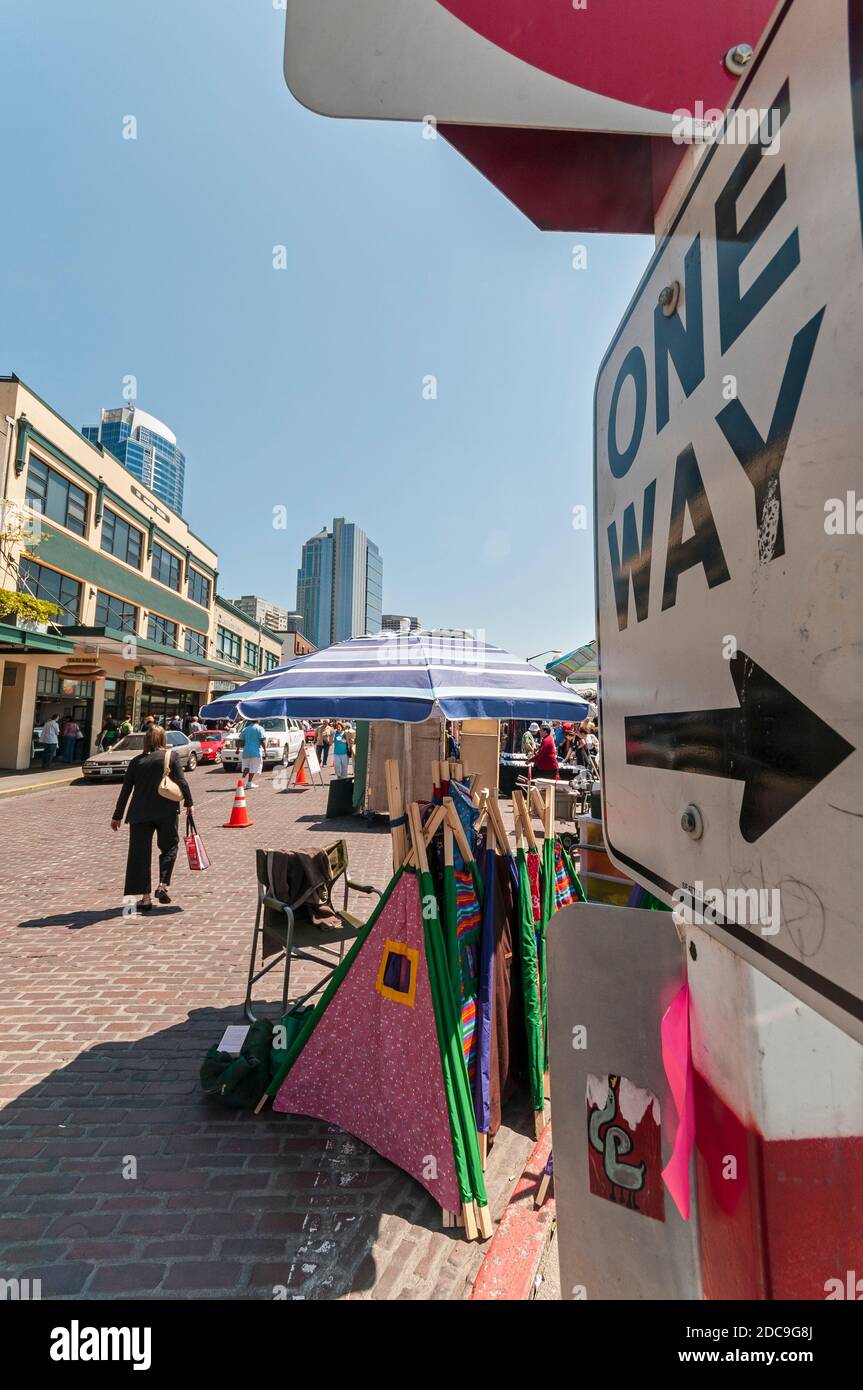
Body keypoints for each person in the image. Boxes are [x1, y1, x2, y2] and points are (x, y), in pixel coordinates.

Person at [110, 724, 194, 912]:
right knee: (170, 846)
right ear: (163, 739)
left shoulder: (136, 761)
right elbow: (182, 781)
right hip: (166, 811)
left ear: (146, 741)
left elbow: (126, 791)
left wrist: (117, 816)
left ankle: (145, 898)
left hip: (139, 814)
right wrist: (189, 803)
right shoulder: (170, 756)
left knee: (139, 855)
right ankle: (163, 885)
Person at [239, 719, 267, 789]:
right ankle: (249, 783)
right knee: (253, 768)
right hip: (255, 751)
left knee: (247, 767)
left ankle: (241, 781)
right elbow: (262, 740)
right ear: (258, 720)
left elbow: (240, 740)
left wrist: (237, 749)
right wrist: (265, 751)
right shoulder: (260, 728)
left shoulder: (246, 729)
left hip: (246, 751)